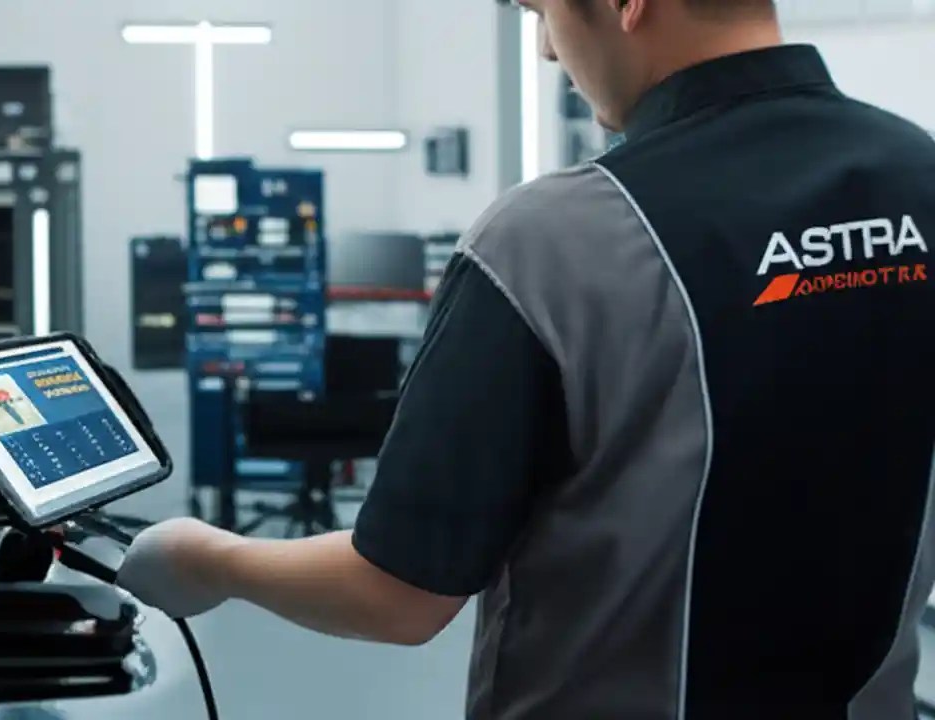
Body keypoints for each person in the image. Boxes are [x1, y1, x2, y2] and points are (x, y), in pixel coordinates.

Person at [117, 0, 935, 717]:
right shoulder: (919, 176)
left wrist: (206, 556)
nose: (547, 49)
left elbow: (399, 592)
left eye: (542, 11)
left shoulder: (550, 240)